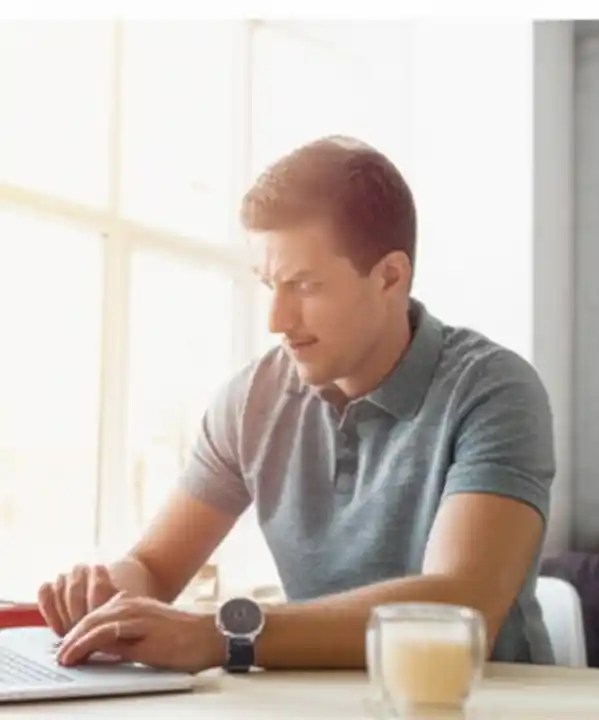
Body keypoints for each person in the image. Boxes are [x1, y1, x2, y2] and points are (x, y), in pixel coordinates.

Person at [38, 136, 557, 673]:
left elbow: (459, 610)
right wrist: (107, 594)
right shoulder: (250, 403)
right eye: (270, 285)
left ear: (390, 277)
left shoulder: (493, 390)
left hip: (477, 703)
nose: (277, 321)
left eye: (304, 285)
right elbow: (152, 567)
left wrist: (224, 636)